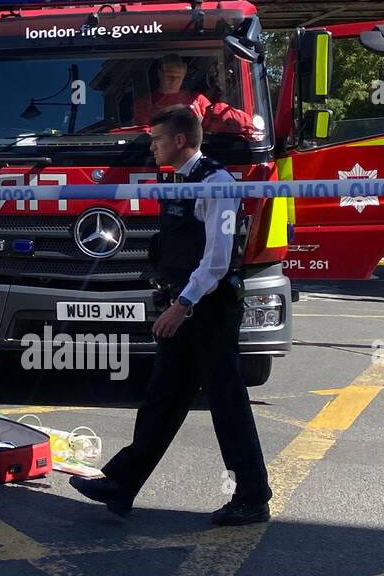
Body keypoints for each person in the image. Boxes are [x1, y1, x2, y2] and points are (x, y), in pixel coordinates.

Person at [71, 104, 273, 525]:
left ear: (180, 140)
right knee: (163, 398)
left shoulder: (216, 183)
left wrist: (183, 306)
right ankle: (121, 484)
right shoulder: (180, 181)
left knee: (226, 400)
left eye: (158, 139)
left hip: (207, 307)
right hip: (184, 304)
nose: (153, 146)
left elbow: (216, 262)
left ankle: (252, 495)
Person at [132, 53, 259, 137]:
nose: (174, 81)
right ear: (160, 73)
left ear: (184, 75)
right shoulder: (144, 104)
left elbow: (214, 124)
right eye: (170, 76)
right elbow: (145, 135)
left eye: (179, 77)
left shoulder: (198, 100)